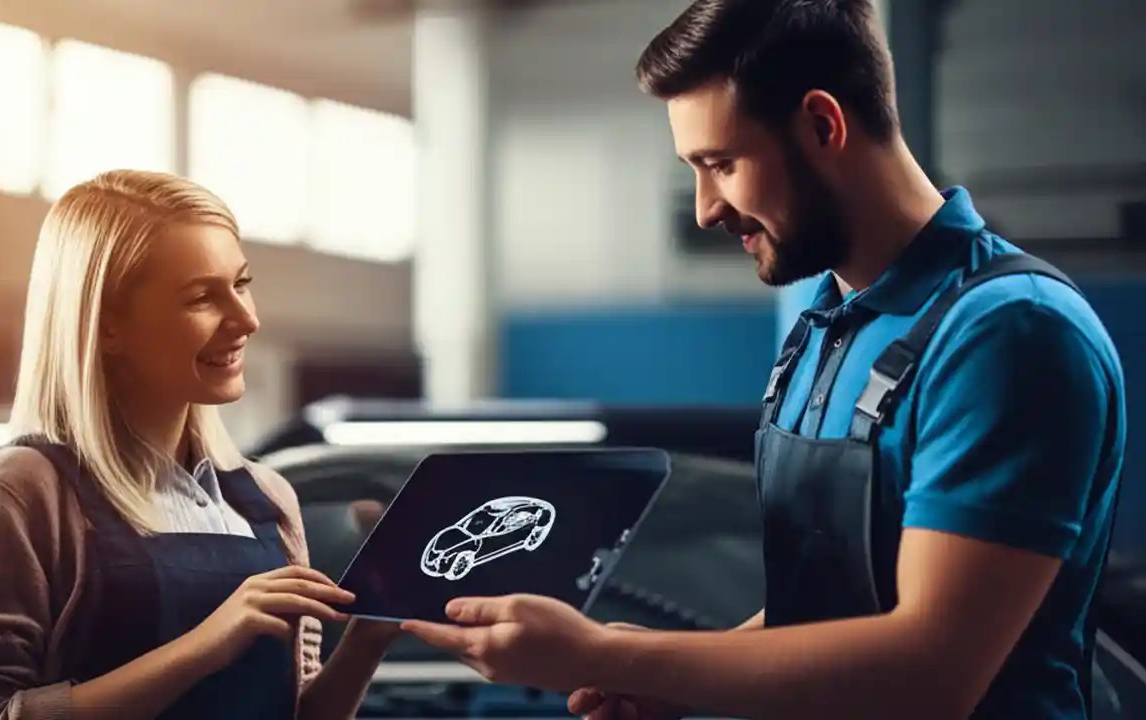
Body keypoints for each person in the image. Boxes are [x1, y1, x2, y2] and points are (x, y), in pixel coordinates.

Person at [401, 1, 1126, 718]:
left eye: (720, 163)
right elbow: (825, 611)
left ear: (822, 124)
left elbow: (929, 674)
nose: (704, 209)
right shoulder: (824, 326)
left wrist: (604, 655)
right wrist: (676, 677)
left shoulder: (1009, 334)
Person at [0, 170, 399, 719]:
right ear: (106, 326)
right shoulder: (19, 491)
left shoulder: (267, 499)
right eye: (202, 296)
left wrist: (369, 640)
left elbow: (296, 712)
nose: (247, 319)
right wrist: (207, 644)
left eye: (242, 285)